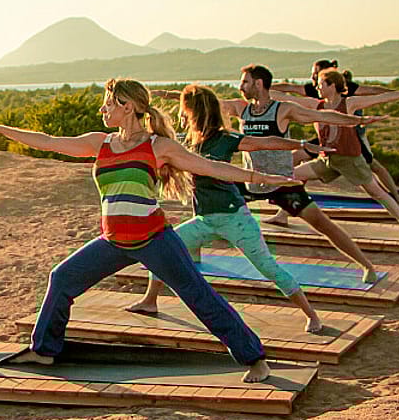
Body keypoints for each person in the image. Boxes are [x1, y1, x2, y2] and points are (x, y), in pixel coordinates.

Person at [0, 78, 304, 383]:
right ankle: (43, 349)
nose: (103, 109)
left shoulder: (159, 147)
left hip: (155, 239)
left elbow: (212, 168)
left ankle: (254, 358)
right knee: (62, 278)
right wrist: (2, 130)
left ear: (127, 107)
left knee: (198, 295)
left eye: (108, 103)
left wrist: (263, 180)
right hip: (113, 241)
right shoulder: (99, 143)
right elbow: (49, 141)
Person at [124, 84, 325, 333]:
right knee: (165, 248)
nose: (181, 117)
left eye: (185, 112)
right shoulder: (188, 143)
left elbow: (263, 143)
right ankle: (150, 300)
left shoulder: (225, 139)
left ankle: (312, 315)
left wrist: (301, 144)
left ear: (196, 113)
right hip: (205, 219)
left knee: (268, 268)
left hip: (234, 219)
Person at [213, 64, 389, 281]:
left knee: (322, 224)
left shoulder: (283, 109)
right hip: (251, 180)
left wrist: (357, 121)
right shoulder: (240, 108)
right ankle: (192, 256)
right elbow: (203, 102)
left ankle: (367, 266)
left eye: (245, 82)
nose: (240, 87)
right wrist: (169, 95)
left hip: (282, 183)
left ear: (259, 84)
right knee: (208, 209)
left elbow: (322, 116)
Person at [278, 69, 399, 238]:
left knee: (378, 193)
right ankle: (283, 215)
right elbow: (289, 99)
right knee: (292, 175)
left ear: (332, 85)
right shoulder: (316, 105)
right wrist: (263, 92)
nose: (317, 88)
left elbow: (378, 98)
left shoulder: (349, 104)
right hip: (327, 160)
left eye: (320, 85)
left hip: (351, 160)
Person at [272, 60, 399, 197]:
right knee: (296, 157)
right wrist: (265, 89)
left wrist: (397, 93)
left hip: (350, 137)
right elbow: (290, 88)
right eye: (313, 75)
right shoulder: (313, 88)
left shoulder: (345, 87)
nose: (313, 78)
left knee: (374, 167)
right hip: (326, 138)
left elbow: (372, 91)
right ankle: (295, 197)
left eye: (316, 74)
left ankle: (397, 197)